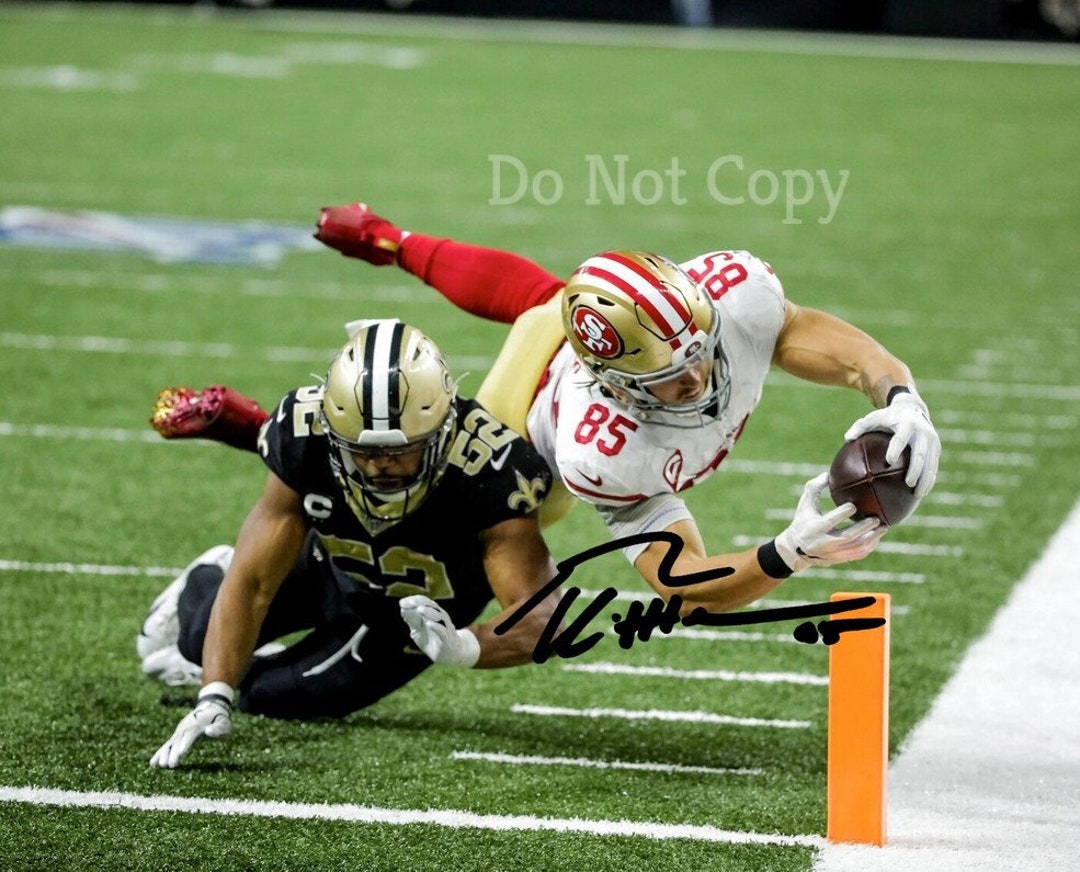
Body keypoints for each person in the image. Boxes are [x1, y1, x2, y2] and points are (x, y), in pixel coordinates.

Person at [154, 201, 940, 622]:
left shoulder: (726, 298)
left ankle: (391, 241)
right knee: (402, 498)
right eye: (672, 377)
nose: (702, 374)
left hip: (560, 344)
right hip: (522, 437)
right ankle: (247, 424)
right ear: (622, 386)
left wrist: (898, 393)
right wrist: (786, 555)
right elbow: (678, 585)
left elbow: (802, 332)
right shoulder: (606, 449)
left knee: (544, 301)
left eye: (701, 347)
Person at [140, 319, 559, 768]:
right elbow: (253, 581)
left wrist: (462, 647)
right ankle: (209, 572)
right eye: (364, 450)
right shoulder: (304, 434)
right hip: (330, 564)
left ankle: (262, 666)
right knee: (199, 641)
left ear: (444, 429)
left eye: (404, 449)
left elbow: (541, 620)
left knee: (271, 696)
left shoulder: (492, 471)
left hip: (408, 620)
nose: (383, 465)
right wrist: (213, 695)